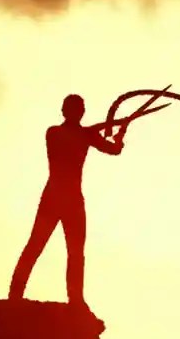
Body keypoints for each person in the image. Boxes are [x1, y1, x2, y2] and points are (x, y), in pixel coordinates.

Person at [8, 94, 126, 308]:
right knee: (35, 245)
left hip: (72, 200)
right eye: (74, 108)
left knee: (76, 252)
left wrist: (120, 133)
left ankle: (76, 299)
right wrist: (100, 130)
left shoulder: (87, 135)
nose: (78, 112)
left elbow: (114, 150)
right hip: (53, 198)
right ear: (64, 111)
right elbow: (73, 138)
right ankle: (15, 294)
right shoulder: (54, 132)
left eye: (81, 108)